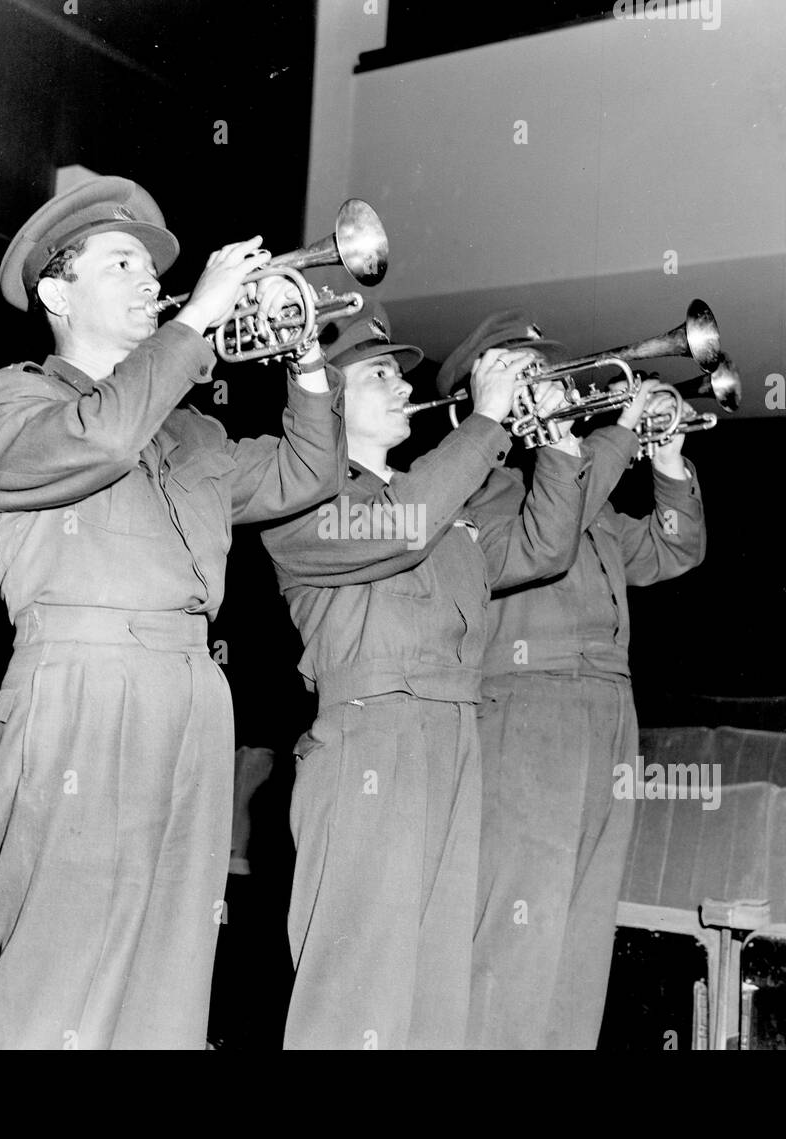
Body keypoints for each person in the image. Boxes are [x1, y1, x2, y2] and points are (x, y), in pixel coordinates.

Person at [0, 176, 345, 1049]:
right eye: (121, 261)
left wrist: (308, 360)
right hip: (85, 686)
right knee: (63, 968)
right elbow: (100, 436)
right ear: (56, 294)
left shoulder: (192, 433)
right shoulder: (8, 400)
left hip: (194, 692)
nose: (146, 278)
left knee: (169, 970)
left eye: (152, 266)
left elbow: (304, 475)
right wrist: (193, 323)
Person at [260, 303, 595, 1049]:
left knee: (433, 993)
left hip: (453, 737)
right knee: (356, 994)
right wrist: (484, 422)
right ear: (331, 396)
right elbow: (401, 526)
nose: (403, 384)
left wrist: (562, 445)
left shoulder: (442, 504)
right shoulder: (306, 500)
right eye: (380, 372)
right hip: (370, 739)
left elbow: (543, 548)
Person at [440, 311, 706, 1050]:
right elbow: (542, 547)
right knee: (516, 937)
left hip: (609, 716)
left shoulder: (570, 485)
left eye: (549, 376)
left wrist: (669, 462)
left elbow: (668, 553)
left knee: (581, 936)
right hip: (529, 713)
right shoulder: (477, 491)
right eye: (528, 377)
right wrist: (615, 434)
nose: (553, 389)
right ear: (478, 395)